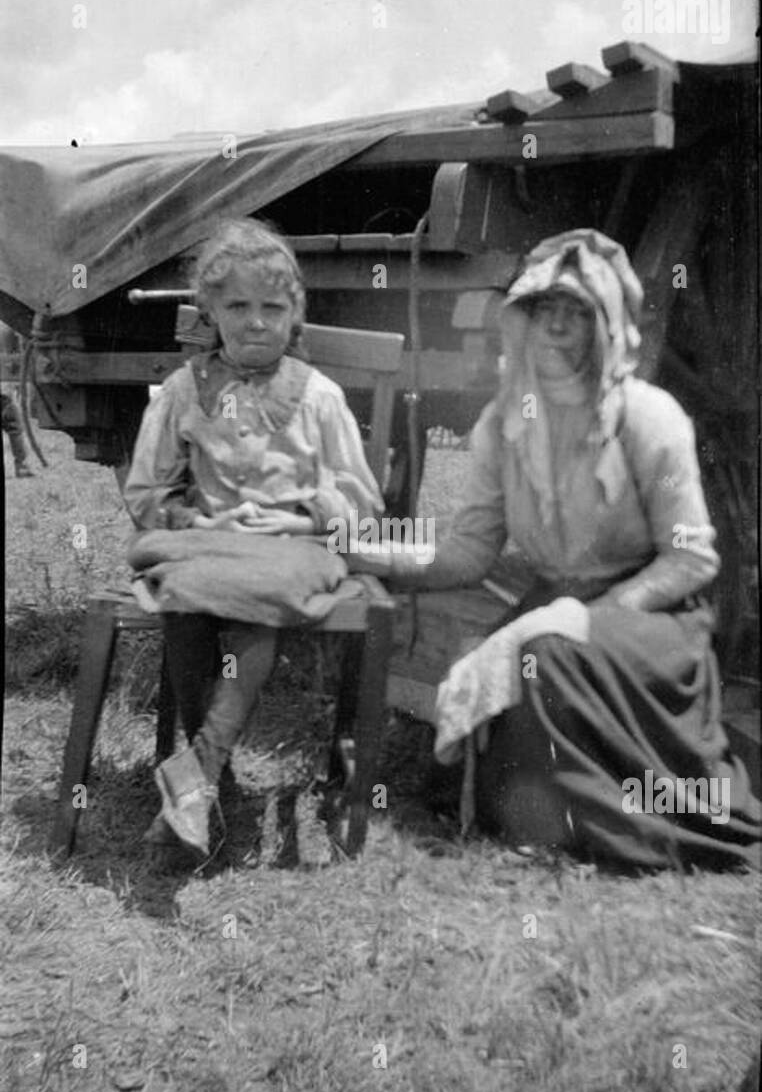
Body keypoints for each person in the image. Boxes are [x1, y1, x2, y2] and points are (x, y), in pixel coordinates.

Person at [349, 229, 760, 869]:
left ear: (609, 327)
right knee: (508, 668)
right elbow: (467, 555)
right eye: (546, 313)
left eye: (578, 315)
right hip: (557, 604)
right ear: (522, 324)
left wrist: (589, 614)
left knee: (543, 657)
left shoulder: (650, 417)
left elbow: (692, 559)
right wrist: (367, 553)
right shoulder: (503, 425)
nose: (559, 330)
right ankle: (541, 823)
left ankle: (627, 829)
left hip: (653, 614)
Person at [123, 219, 383, 858]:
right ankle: (208, 781)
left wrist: (302, 519)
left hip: (291, 546)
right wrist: (194, 521)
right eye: (237, 306)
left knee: (261, 593)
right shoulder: (185, 391)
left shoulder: (318, 397)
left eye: (272, 307)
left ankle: (200, 770)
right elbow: (146, 492)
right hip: (208, 545)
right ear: (209, 311)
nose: (255, 321)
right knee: (184, 593)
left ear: (295, 315)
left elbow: (360, 497)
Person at [1, 322, 34, 477]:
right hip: (4, 389)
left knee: (15, 426)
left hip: (5, 388)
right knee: (15, 427)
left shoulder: (7, 328)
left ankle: (22, 465)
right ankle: (22, 465)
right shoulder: (7, 326)